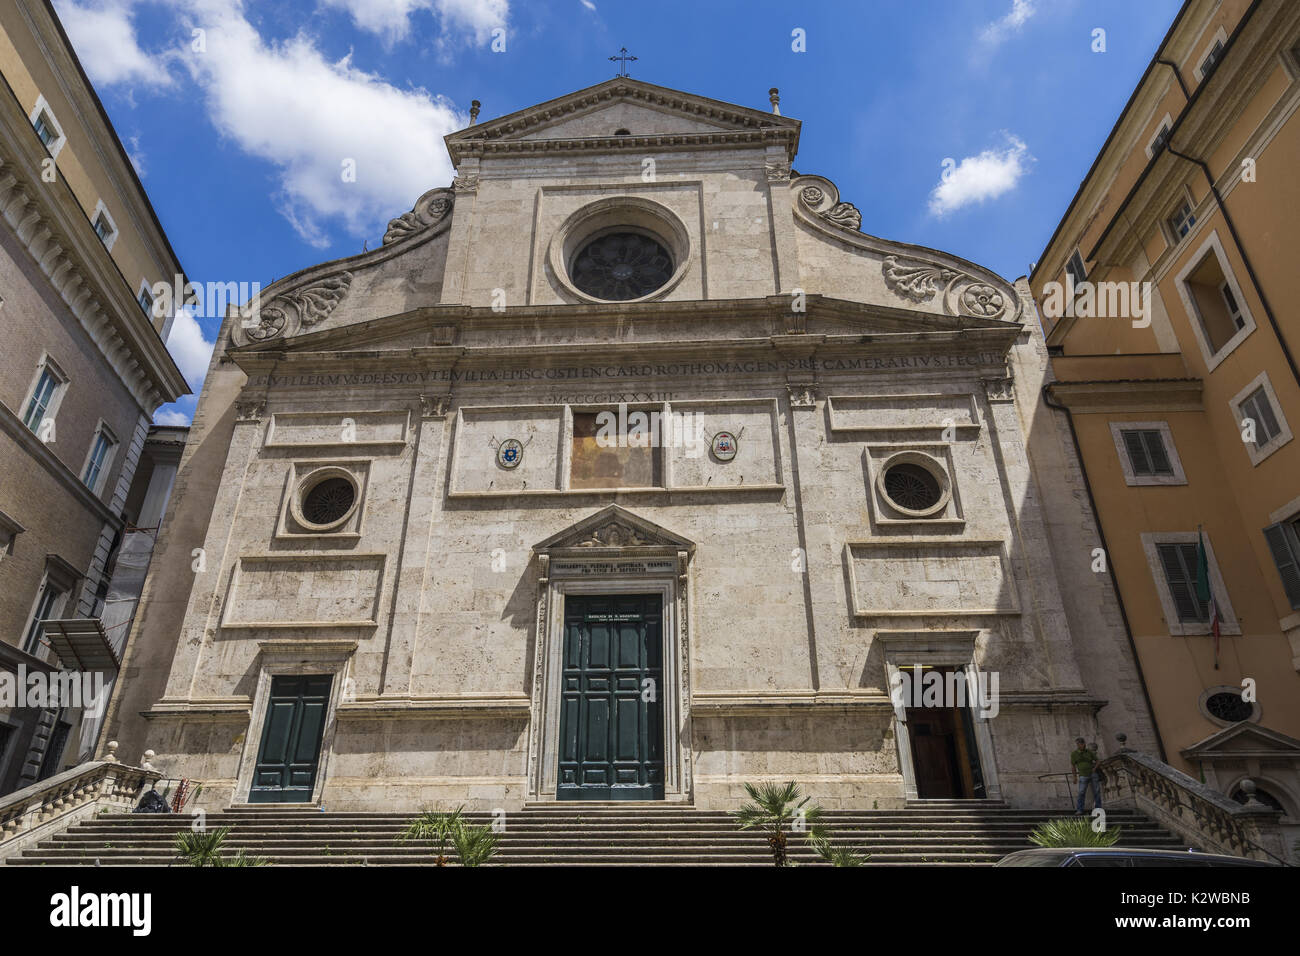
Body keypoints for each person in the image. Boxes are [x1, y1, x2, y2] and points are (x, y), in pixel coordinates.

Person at [1071, 737, 1102, 813]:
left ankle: (1098, 809)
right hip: (1083, 775)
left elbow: (1098, 761)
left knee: (1097, 791)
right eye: (1081, 744)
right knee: (1081, 792)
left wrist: (1094, 769)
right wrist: (1074, 777)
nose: (1083, 745)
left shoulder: (1089, 752)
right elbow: (1073, 766)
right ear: (1078, 745)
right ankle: (1079, 809)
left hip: (1093, 774)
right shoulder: (1074, 754)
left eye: (1084, 743)